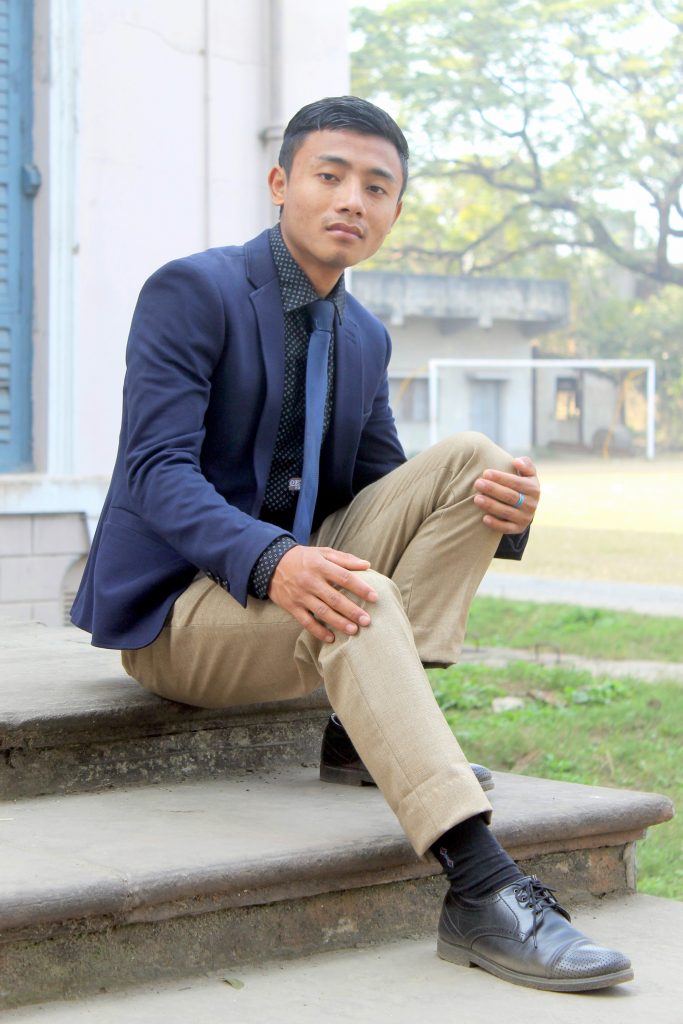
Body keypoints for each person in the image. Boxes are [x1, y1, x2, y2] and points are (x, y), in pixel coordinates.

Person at [71, 95, 632, 993]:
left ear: (394, 212)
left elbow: (386, 493)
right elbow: (155, 471)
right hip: (180, 611)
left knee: (474, 463)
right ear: (280, 182)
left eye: (377, 186)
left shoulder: (363, 335)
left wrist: (504, 513)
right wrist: (272, 560)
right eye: (329, 176)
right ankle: (480, 887)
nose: (351, 200)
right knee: (362, 596)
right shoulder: (194, 290)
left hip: (289, 581)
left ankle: (354, 735)